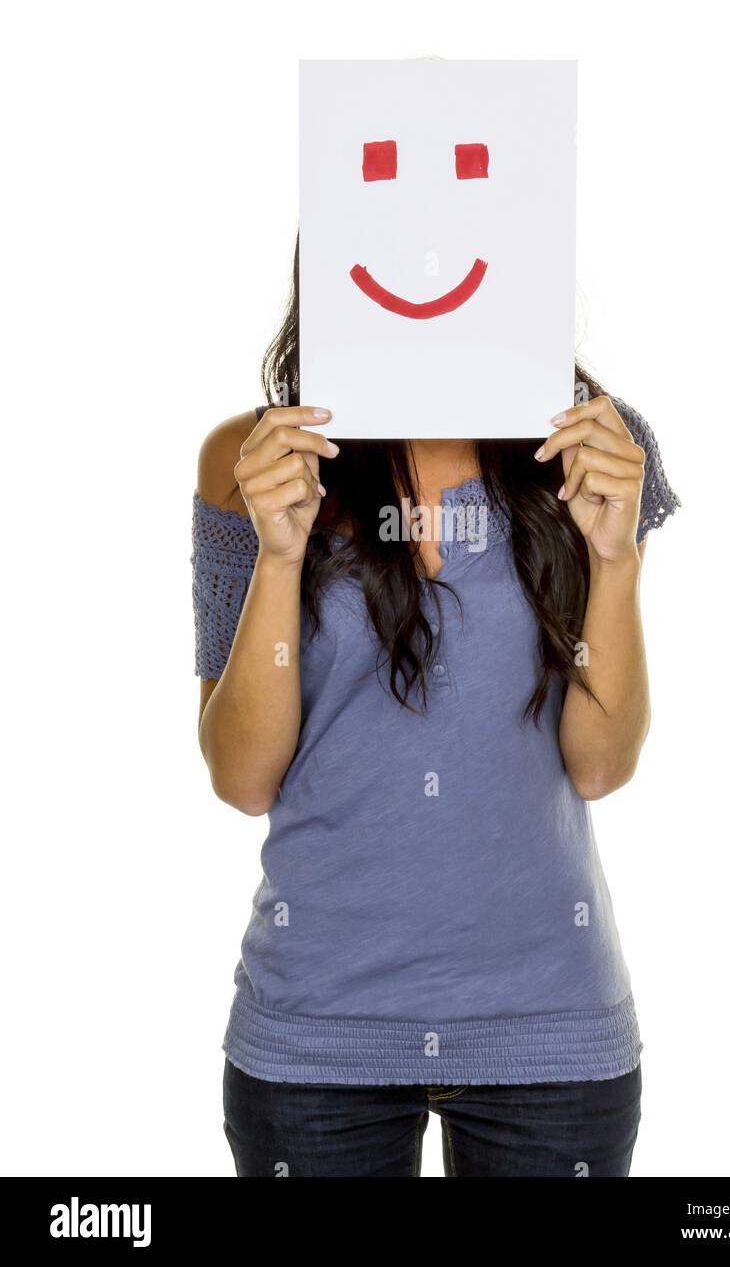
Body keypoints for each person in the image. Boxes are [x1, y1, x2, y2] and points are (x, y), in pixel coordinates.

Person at [192, 237, 680, 1177]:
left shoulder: (592, 448)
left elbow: (600, 764)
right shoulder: (249, 462)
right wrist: (278, 552)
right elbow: (241, 778)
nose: (423, 259)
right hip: (316, 1037)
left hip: (550, 1028)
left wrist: (613, 559)